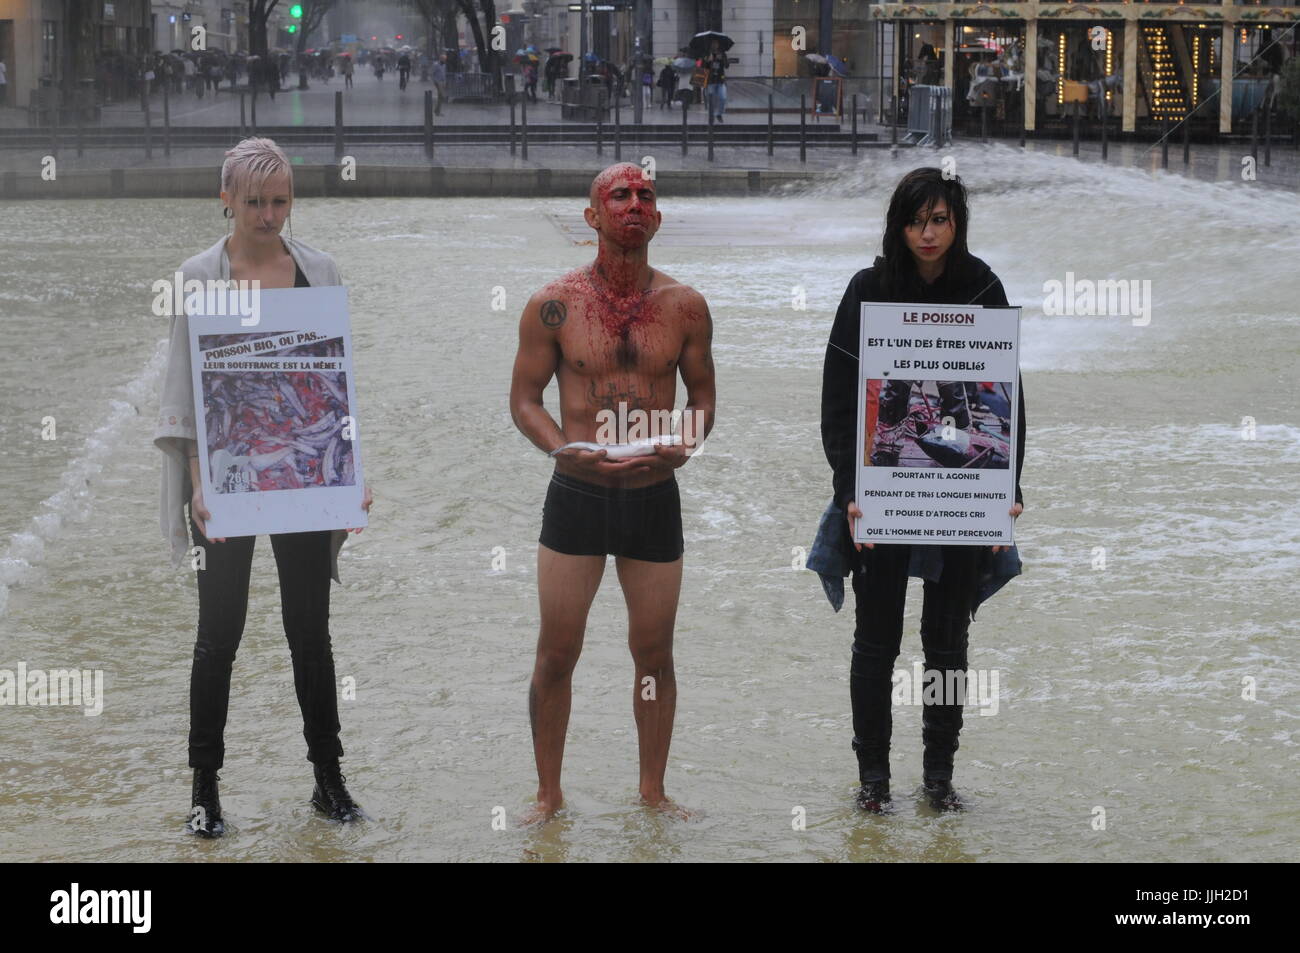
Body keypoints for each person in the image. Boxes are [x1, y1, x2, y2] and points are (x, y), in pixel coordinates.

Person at [153, 137, 373, 838]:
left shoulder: (319, 270)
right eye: (255, 202)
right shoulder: (198, 274)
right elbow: (187, 391)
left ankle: (328, 778)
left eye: (280, 200)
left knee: (311, 629)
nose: (269, 214)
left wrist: (350, 476)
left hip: (305, 476)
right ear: (227, 199)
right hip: (225, 483)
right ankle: (204, 786)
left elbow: (332, 385)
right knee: (218, 634)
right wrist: (198, 485)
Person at [509, 163, 716, 824]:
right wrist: (562, 448)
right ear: (592, 215)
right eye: (618, 195)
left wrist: (688, 438)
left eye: (645, 196)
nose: (634, 203)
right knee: (556, 650)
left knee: (655, 651)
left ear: (656, 219)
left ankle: (652, 792)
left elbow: (703, 397)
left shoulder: (685, 306)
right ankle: (549, 794)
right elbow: (523, 400)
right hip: (577, 494)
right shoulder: (554, 304)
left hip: (654, 493)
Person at [819, 167, 1026, 814]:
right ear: (898, 225)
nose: (927, 233)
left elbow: (1009, 394)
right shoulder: (869, 288)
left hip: (961, 493)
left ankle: (938, 778)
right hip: (882, 490)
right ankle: (873, 781)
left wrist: (1010, 486)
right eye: (915, 221)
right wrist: (849, 488)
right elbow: (837, 401)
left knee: (947, 639)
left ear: (957, 222)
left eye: (939, 219)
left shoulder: (982, 285)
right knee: (875, 639)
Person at [706, 39, 728, 121]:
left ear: (718, 44)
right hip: (711, 80)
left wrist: (722, 59)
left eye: (716, 43)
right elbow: (701, 65)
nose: (715, 45)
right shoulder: (708, 54)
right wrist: (708, 61)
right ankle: (711, 115)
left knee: (723, 97)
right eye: (713, 43)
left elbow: (727, 66)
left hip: (720, 80)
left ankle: (719, 114)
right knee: (711, 100)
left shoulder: (722, 54)